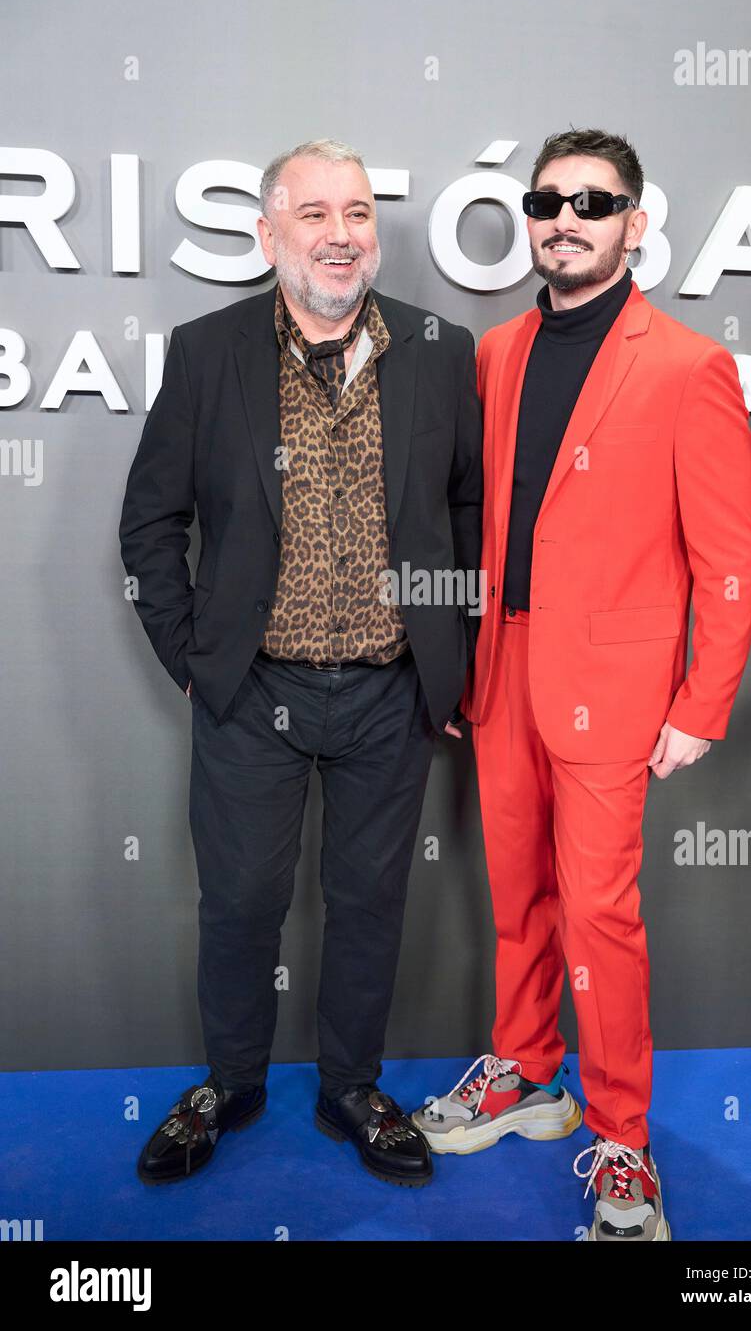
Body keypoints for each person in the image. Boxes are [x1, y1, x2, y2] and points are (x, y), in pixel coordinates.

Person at [412, 128, 751, 1240]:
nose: (565, 217)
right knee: (512, 886)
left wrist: (699, 704)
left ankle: (621, 1139)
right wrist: (468, 661)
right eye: (547, 199)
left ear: (633, 221)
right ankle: (527, 1072)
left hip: (610, 681)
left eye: (592, 201)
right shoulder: (497, 349)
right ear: (528, 215)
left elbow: (730, 554)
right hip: (501, 664)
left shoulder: (685, 364)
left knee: (598, 913)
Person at [119, 138, 482, 1189]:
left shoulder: (436, 345)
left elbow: (461, 508)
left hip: (388, 690)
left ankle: (351, 1089)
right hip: (253, 690)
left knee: (370, 901)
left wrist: (445, 655)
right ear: (267, 233)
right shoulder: (208, 350)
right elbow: (151, 523)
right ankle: (228, 1086)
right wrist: (196, 658)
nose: (340, 235)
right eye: (314, 214)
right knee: (238, 904)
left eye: (358, 213)